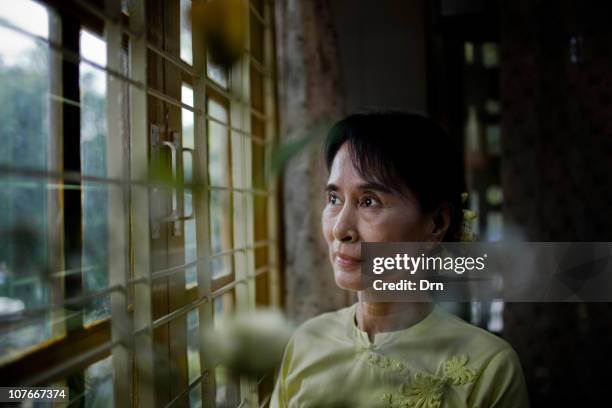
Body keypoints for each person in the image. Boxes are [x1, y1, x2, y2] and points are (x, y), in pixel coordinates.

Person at [270, 112, 529, 407]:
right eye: (334, 199)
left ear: (436, 224)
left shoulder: (489, 367)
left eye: (369, 201)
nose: (340, 229)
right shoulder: (306, 343)